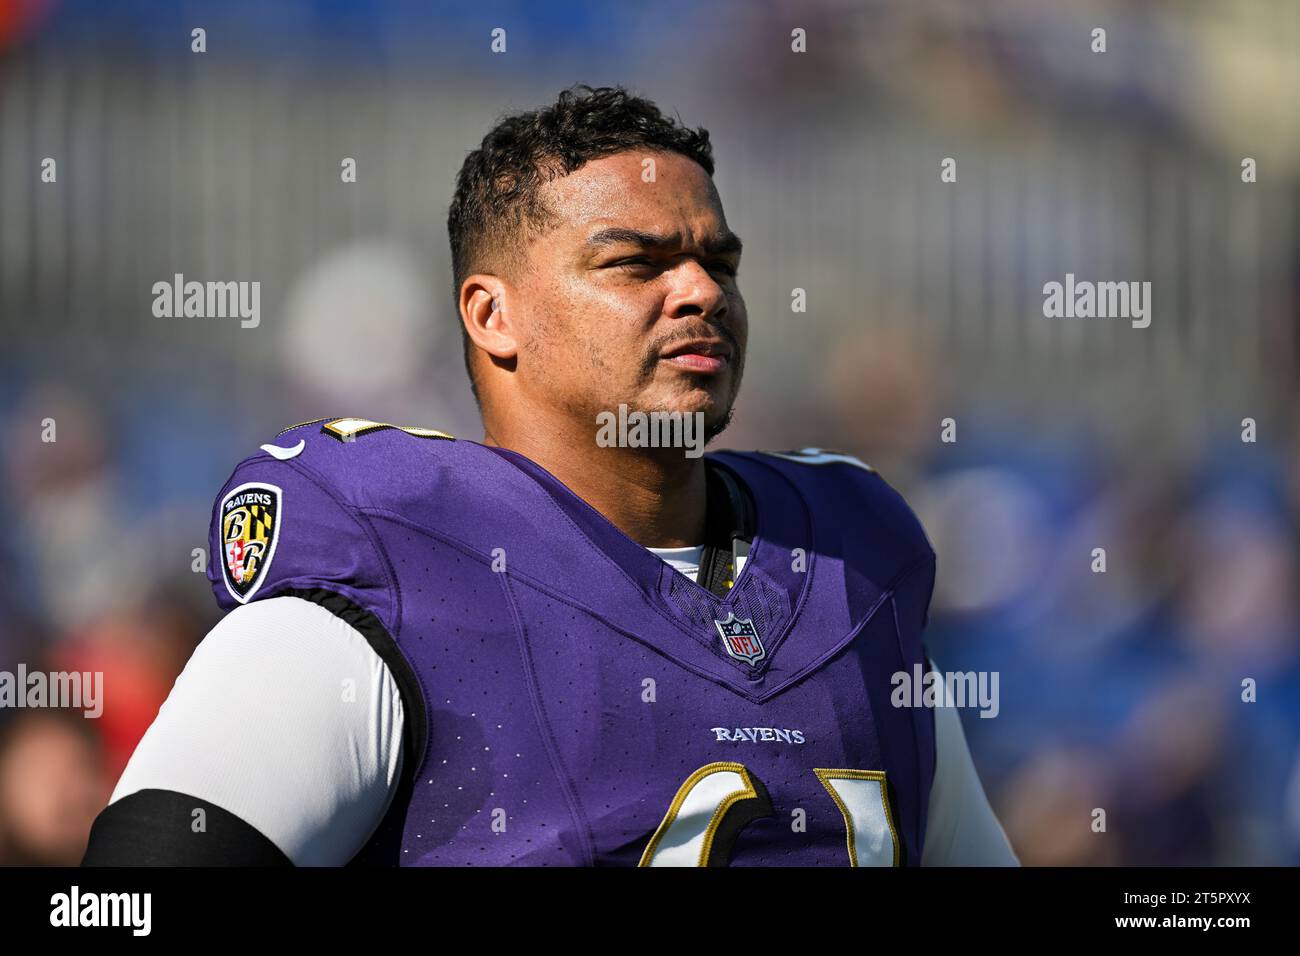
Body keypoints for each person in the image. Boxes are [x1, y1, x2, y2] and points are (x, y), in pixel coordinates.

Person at [83, 85, 1016, 867]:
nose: (700, 292)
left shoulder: (847, 574)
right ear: (494, 317)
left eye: (716, 262)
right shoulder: (386, 583)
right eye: (634, 263)